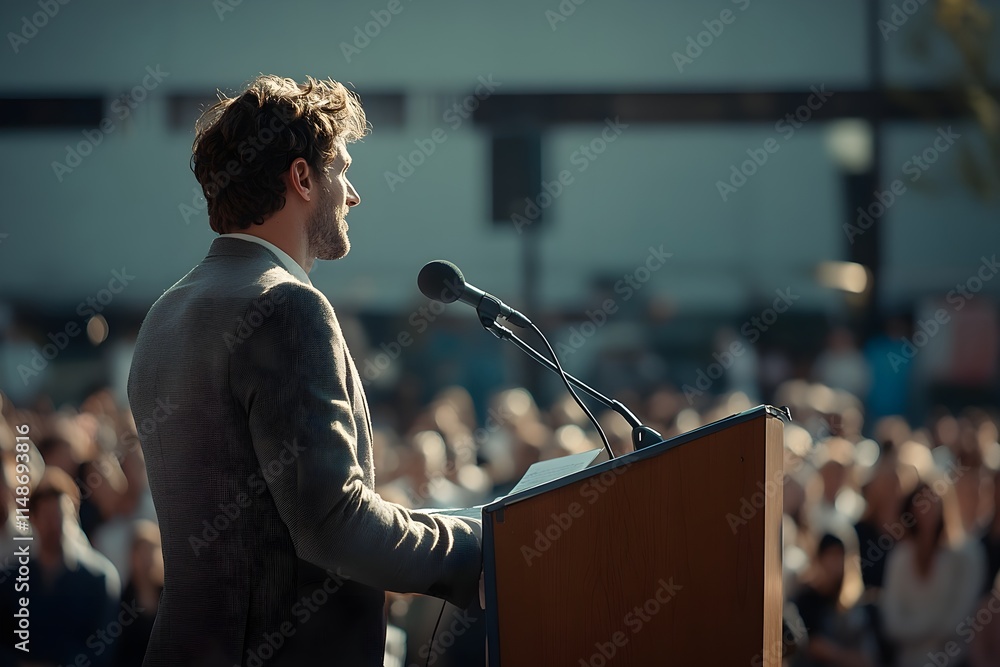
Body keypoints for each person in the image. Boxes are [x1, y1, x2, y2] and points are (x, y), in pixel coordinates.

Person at [126, 75, 483, 667]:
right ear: (301, 178)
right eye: (342, 168)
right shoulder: (288, 305)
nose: (353, 194)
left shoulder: (166, 311)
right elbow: (332, 525)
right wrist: (475, 548)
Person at [881, 481, 985, 667]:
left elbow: (960, 619)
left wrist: (919, 628)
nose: (926, 512)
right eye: (920, 505)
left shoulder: (963, 558)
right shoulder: (899, 558)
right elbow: (893, 623)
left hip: (952, 661)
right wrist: (931, 626)